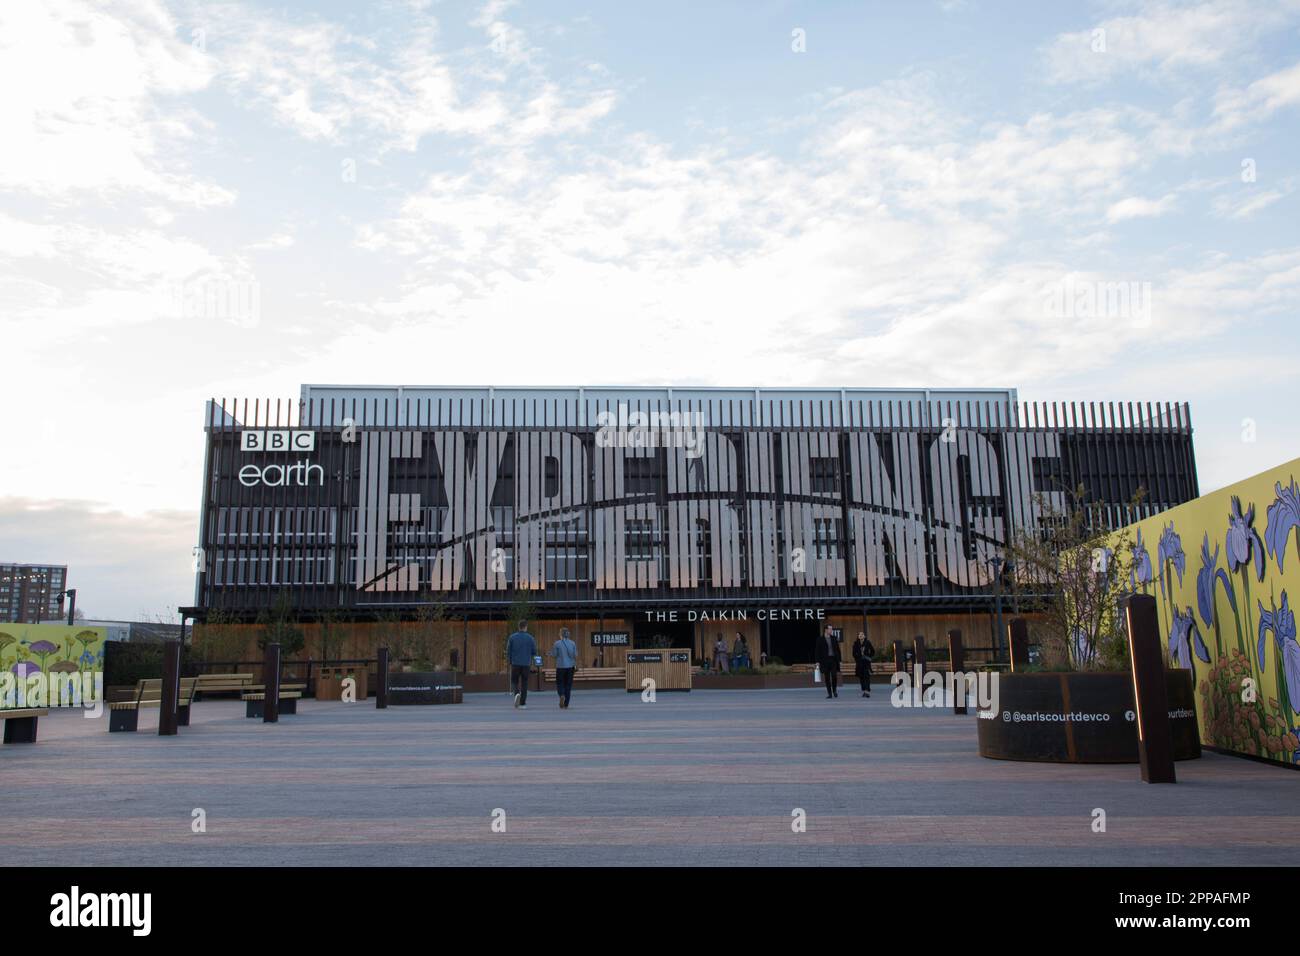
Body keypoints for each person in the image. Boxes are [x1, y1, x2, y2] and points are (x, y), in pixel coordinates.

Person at [505, 620, 537, 709]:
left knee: (514, 681)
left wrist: (510, 661)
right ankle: (523, 703)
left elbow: (508, 651)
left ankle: (516, 694)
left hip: (515, 663)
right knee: (525, 683)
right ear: (526, 627)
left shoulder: (512, 637)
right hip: (526, 664)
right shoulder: (531, 638)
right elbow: (534, 651)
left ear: (519, 627)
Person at [550, 626, 578, 709]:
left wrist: (550, 654)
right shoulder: (573, 643)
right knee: (568, 685)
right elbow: (575, 655)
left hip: (560, 667)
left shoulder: (557, 643)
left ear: (560, 634)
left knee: (560, 683)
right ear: (568, 634)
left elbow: (554, 654)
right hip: (570, 667)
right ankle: (566, 704)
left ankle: (562, 695)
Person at [816, 624, 842, 699]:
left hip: (833, 660)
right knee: (827, 678)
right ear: (826, 630)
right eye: (830, 629)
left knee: (834, 676)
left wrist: (839, 660)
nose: (831, 630)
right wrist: (817, 661)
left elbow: (838, 650)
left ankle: (834, 691)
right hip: (824, 661)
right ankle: (829, 693)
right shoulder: (820, 639)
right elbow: (817, 651)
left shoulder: (834, 638)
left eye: (831, 629)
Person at [852, 630, 875, 698]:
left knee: (867, 677)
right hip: (859, 663)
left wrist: (869, 656)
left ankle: (867, 691)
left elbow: (873, 651)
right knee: (861, 677)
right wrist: (857, 658)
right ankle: (864, 690)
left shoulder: (867, 642)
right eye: (859, 635)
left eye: (862, 634)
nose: (861, 636)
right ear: (858, 636)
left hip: (866, 662)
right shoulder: (855, 643)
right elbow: (853, 653)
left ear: (864, 636)